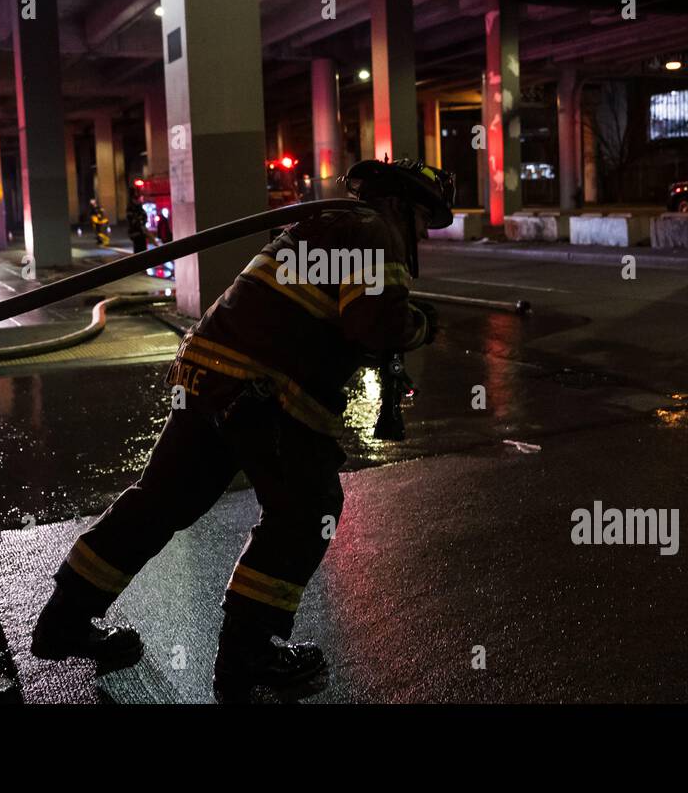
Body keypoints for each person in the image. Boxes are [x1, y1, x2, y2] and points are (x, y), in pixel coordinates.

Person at [31, 160, 455, 702]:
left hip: (208, 375)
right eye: (423, 221)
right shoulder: (375, 230)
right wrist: (422, 324)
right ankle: (248, 656)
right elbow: (374, 325)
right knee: (306, 511)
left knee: (159, 502)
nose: (421, 235)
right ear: (402, 204)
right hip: (261, 392)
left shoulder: (323, 224)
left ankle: (63, 621)